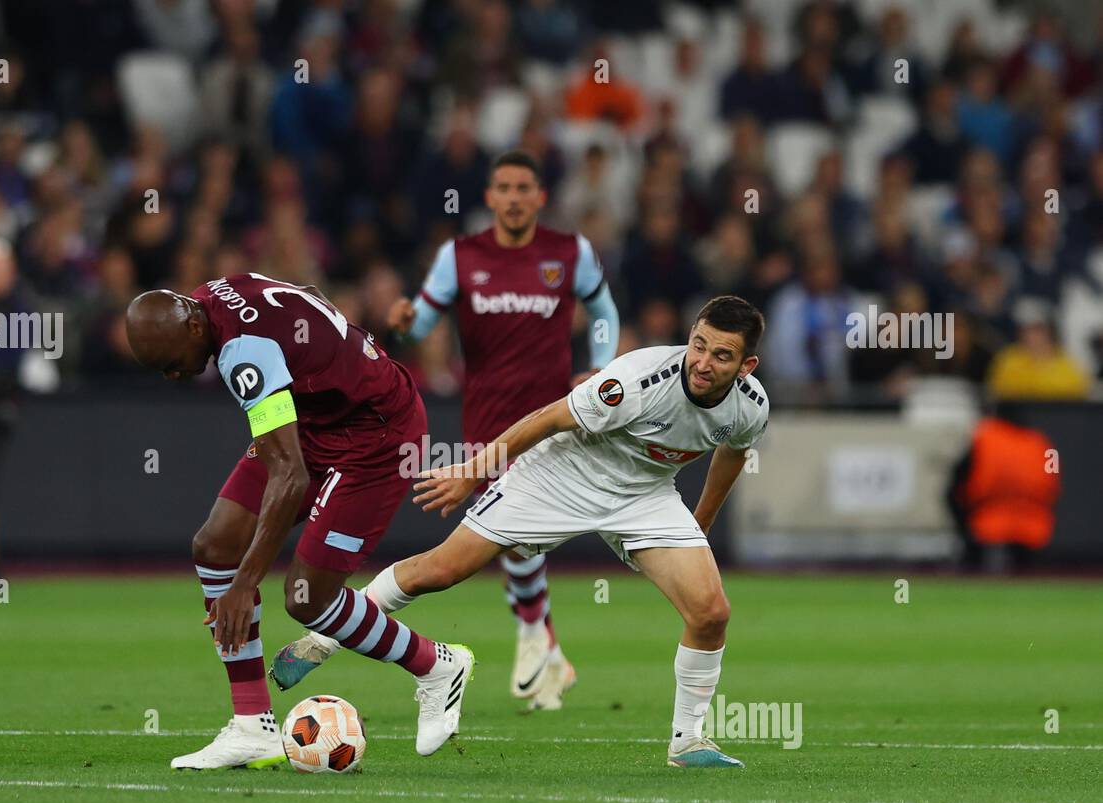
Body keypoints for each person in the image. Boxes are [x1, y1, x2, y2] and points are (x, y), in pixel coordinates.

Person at [278, 296, 769, 768]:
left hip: (644, 497)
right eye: (698, 345)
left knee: (711, 613)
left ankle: (687, 742)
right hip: (558, 476)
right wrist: (474, 470)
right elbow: (549, 417)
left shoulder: (751, 406)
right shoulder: (638, 381)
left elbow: (732, 448)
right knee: (442, 570)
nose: (703, 362)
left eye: (721, 355)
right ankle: (326, 639)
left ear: (746, 366)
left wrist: (699, 526)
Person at [275, 150, 620, 712]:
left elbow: (602, 308)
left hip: (554, 418)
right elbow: (427, 316)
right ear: (489, 197)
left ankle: (530, 639)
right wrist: (412, 319)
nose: (512, 196)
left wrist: (602, 362)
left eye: (523, 187)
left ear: (539, 197)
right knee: (505, 535)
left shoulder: (569, 253)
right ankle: (544, 646)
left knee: (505, 532)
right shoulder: (460, 257)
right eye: (503, 187)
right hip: (486, 421)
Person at [124, 274, 474, 770]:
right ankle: (252, 726)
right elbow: (308, 291)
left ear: (192, 327)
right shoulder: (215, 293)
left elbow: (288, 477)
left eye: (169, 363)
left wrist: (245, 584)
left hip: (378, 436)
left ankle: (437, 666)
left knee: (307, 599)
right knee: (215, 543)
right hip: (316, 419)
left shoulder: (241, 351)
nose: (173, 377)